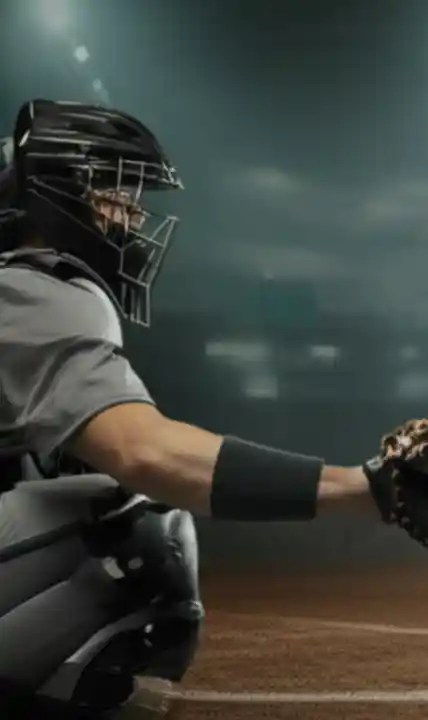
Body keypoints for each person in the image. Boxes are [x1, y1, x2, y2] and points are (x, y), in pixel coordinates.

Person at [0, 99, 381, 717]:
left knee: (65, 477)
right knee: (137, 513)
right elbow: (145, 453)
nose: (133, 212)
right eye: (115, 190)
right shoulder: (35, 288)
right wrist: (363, 489)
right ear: (60, 193)